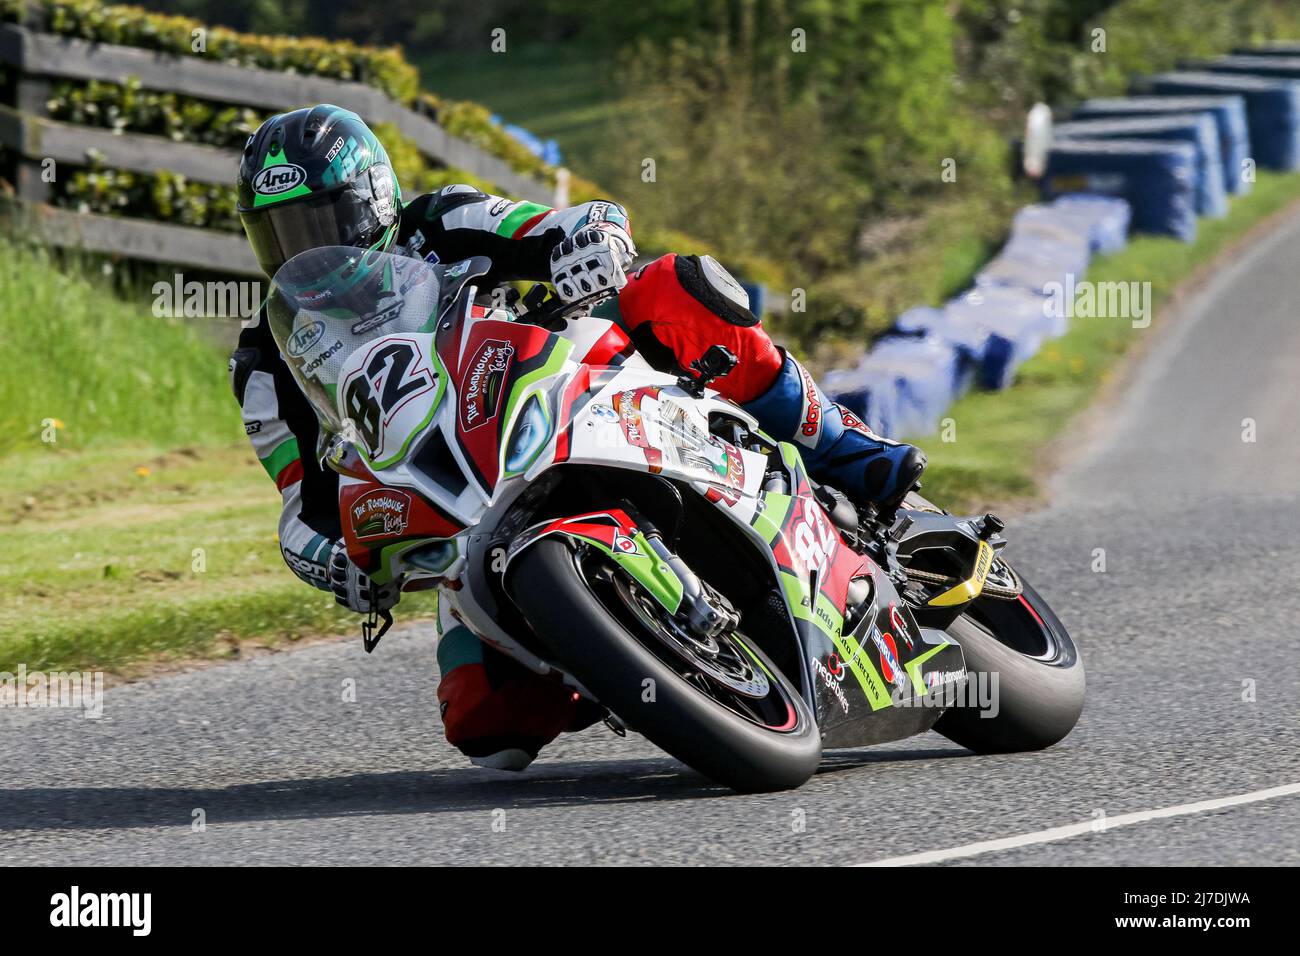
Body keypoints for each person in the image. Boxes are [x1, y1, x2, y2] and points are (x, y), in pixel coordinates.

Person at [231, 105, 926, 770]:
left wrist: (591, 243)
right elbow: (303, 507)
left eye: (322, 222)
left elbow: (570, 222)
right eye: (282, 235)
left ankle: (842, 446)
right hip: (455, 499)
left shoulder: (443, 220)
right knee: (484, 726)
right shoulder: (266, 361)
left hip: (562, 385)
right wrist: (333, 558)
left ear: (374, 201)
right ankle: (620, 654)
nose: (309, 251)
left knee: (670, 288)